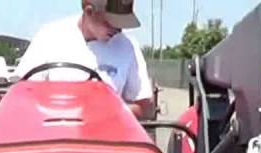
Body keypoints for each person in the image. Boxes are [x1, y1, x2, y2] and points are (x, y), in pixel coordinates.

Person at [14, 0, 155, 120]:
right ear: (89, 11)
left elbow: (146, 108)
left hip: (108, 141)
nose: (118, 30)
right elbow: (21, 95)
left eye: (121, 24)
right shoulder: (49, 36)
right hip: (55, 137)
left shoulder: (128, 47)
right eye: (110, 23)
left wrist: (109, 110)